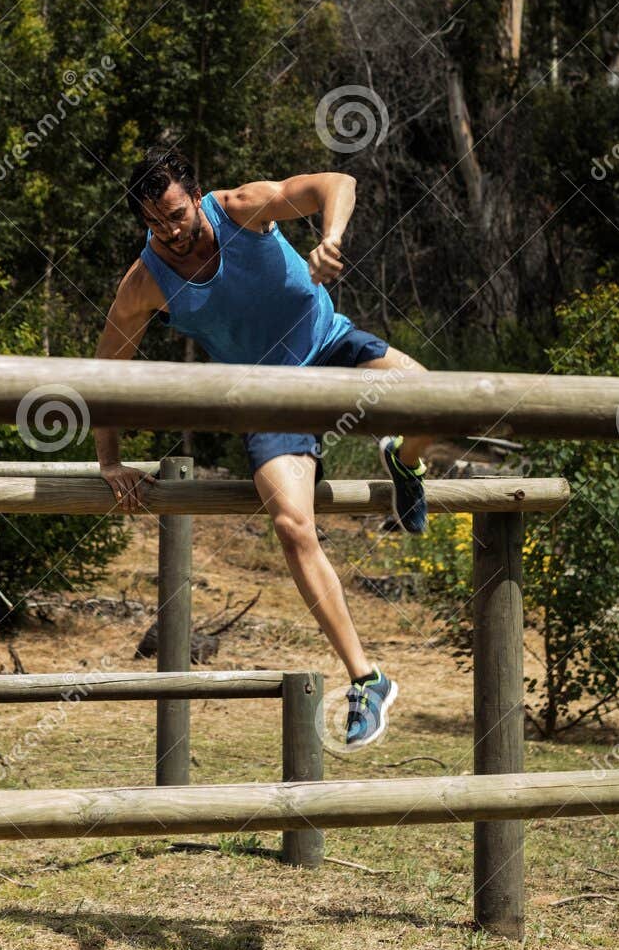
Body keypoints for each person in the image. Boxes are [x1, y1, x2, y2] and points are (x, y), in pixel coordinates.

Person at [93, 148, 434, 749]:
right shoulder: (145, 280)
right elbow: (106, 368)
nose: (171, 231)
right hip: (270, 397)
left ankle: (403, 460)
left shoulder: (242, 209)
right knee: (291, 524)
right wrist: (108, 460)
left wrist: (329, 240)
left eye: (176, 214)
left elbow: (338, 181)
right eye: (155, 223)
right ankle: (367, 677)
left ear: (195, 198)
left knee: (438, 399)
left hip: (332, 346)